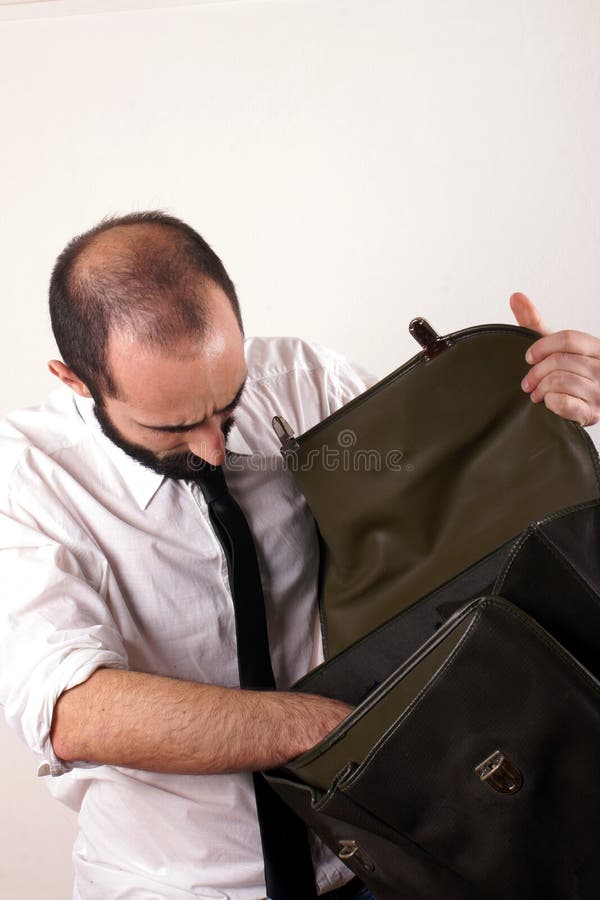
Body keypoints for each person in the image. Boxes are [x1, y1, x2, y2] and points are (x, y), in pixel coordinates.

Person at [0, 211, 598, 900]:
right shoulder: (25, 480)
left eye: (226, 407)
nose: (212, 448)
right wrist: (328, 728)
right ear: (75, 379)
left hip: (384, 856)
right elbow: (75, 713)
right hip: (179, 885)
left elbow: (446, 520)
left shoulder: (303, 380)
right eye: (173, 426)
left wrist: (539, 420)